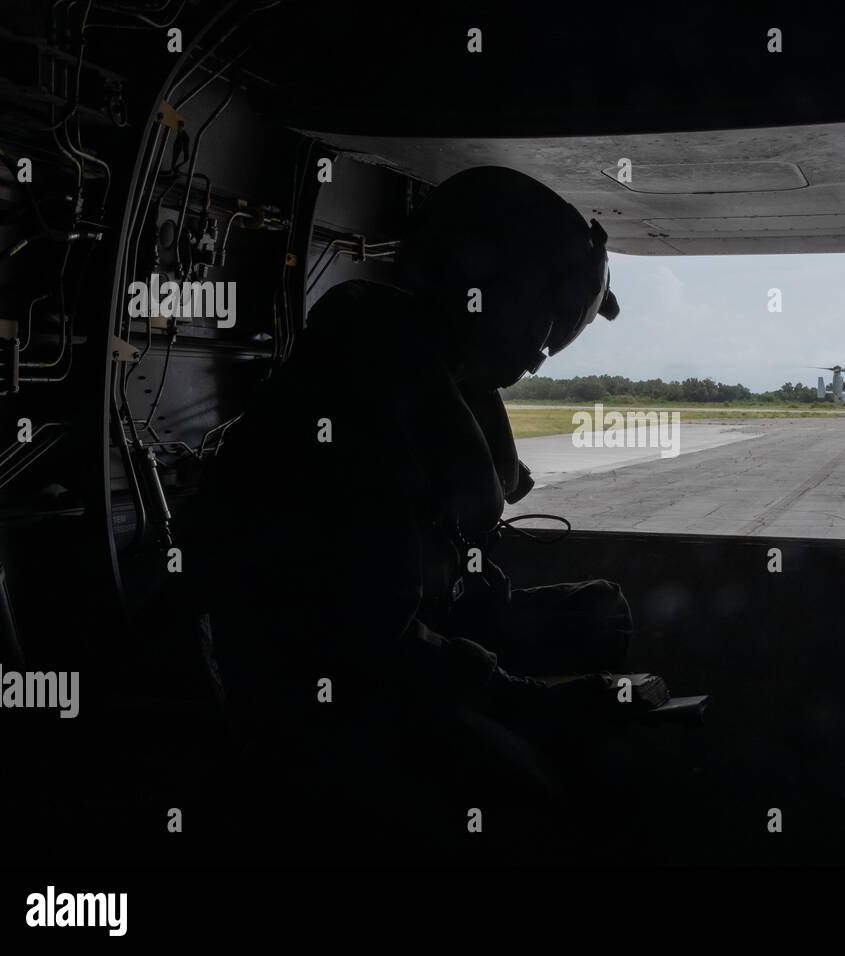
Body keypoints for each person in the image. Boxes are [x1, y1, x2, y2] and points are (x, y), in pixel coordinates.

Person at [198, 166, 634, 860]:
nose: (539, 357)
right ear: (493, 297)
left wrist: (527, 611)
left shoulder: (406, 379)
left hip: (378, 681)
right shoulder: (355, 416)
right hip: (325, 719)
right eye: (542, 327)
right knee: (537, 810)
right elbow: (372, 637)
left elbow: (429, 581)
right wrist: (521, 696)